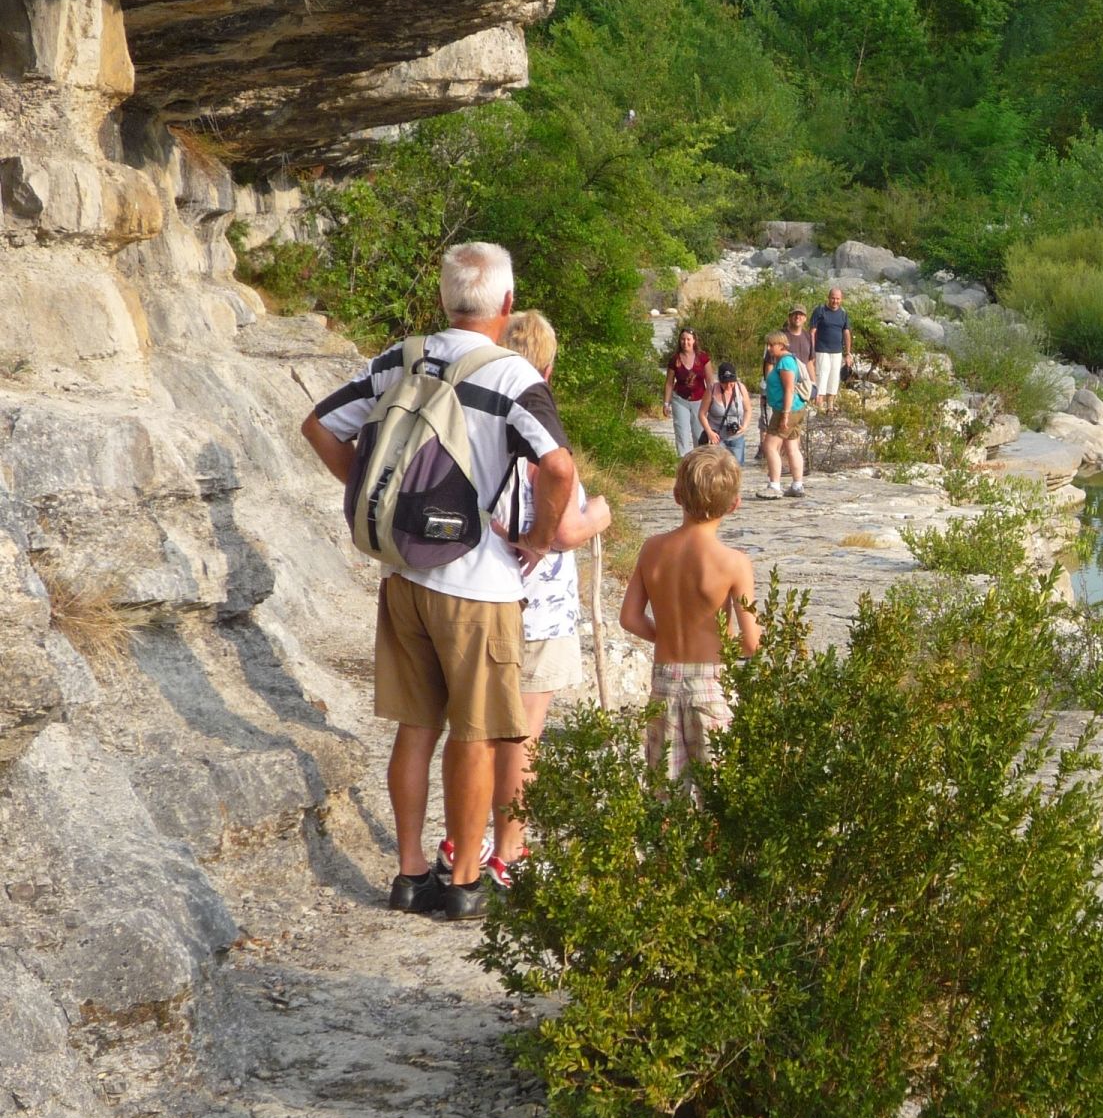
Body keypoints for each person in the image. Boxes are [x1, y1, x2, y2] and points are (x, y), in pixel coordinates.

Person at [300, 242, 577, 922]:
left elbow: (320, 426)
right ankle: (463, 881)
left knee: (416, 727)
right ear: (506, 302)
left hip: (404, 577)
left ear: (444, 298)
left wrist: (376, 500)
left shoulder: (400, 358)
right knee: (475, 734)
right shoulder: (513, 376)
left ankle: (409, 873)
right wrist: (540, 540)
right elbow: (560, 468)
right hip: (478, 587)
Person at [474, 309, 611, 885]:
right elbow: (563, 531)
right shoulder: (542, 434)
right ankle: (511, 848)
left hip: (483, 596)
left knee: (481, 730)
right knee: (524, 736)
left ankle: (468, 838)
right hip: (540, 608)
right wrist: (599, 512)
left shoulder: (480, 424)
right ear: (547, 369)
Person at [619, 447, 761, 783]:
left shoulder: (652, 548)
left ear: (676, 496)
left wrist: (666, 634)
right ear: (734, 504)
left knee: (665, 792)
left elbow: (630, 618)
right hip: (710, 683)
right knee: (718, 789)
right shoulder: (733, 562)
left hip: (664, 680)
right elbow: (751, 644)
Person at [758, 330, 807, 500]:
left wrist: (785, 415)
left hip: (786, 410)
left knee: (770, 446)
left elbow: (789, 389)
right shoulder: (784, 360)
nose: (769, 348)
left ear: (781, 345)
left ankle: (774, 485)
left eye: (772, 345)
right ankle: (797, 485)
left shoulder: (785, 362)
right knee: (791, 446)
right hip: (795, 409)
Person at [663, 327, 713, 457]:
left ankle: (700, 460)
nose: (685, 342)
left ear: (694, 340)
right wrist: (666, 403)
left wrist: (711, 401)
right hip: (680, 400)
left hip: (700, 401)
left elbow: (710, 382)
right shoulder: (674, 360)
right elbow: (669, 383)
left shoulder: (703, 358)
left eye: (688, 339)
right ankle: (683, 461)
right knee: (681, 433)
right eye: (683, 339)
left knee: (699, 434)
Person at [808, 287, 853, 414]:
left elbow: (846, 332)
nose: (835, 301)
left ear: (841, 299)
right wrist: (811, 351)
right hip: (821, 350)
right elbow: (812, 332)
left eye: (838, 299)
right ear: (828, 298)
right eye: (833, 298)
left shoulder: (843, 313)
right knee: (822, 375)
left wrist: (848, 353)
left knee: (834, 378)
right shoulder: (820, 311)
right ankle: (819, 407)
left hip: (837, 351)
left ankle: (830, 407)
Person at [701, 361, 751, 466]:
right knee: (718, 467)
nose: (728, 386)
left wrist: (744, 426)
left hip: (736, 436)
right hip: (717, 436)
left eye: (731, 382)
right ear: (719, 380)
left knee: (737, 468)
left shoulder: (741, 388)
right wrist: (709, 432)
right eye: (725, 383)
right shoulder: (711, 390)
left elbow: (748, 410)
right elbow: (701, 414)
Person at [783, 306, 817, 395]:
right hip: (783, 385)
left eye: (801, 314)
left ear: (805, 318)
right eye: (794, 314)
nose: (797, 316)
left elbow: (809, 362)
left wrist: (814, 385)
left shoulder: (808, 337)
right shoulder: (780, 336)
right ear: (789, 317)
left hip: (802, 387)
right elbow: (770, 363)